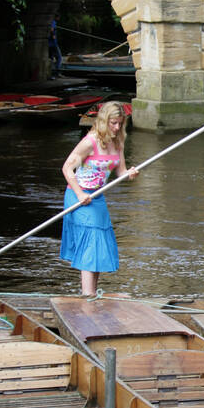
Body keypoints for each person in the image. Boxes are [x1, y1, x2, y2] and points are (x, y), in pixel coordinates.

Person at [61, 101, 138, 296]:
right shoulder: (90, 142)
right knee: (91, 243)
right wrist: (79, 193)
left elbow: (120, 172)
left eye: (120, 123)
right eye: (113, 123)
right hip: (79, 196)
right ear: (104, 121)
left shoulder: (118, 142)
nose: (117, 127)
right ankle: (88, 296)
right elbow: (67, 168)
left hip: (97, 197)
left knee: (99, 243)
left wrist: (129, 173)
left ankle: (92, 293)